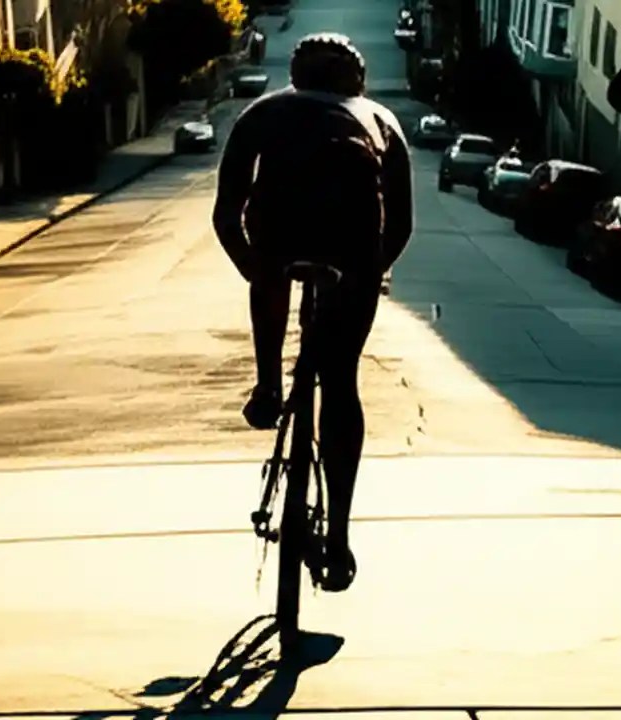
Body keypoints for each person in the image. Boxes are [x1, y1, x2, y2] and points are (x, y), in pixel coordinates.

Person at [211, 32, 414, 592]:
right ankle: (339, 537)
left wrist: (254, 269)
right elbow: (399, 226)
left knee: (271, 270)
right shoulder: (381, 120)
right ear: (358, 80)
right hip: (354, 252)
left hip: (277, 238)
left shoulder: (261, 112)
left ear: (295, 76)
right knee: (340, 381)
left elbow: (227, 213)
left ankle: (268, 386)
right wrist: (369, 273)